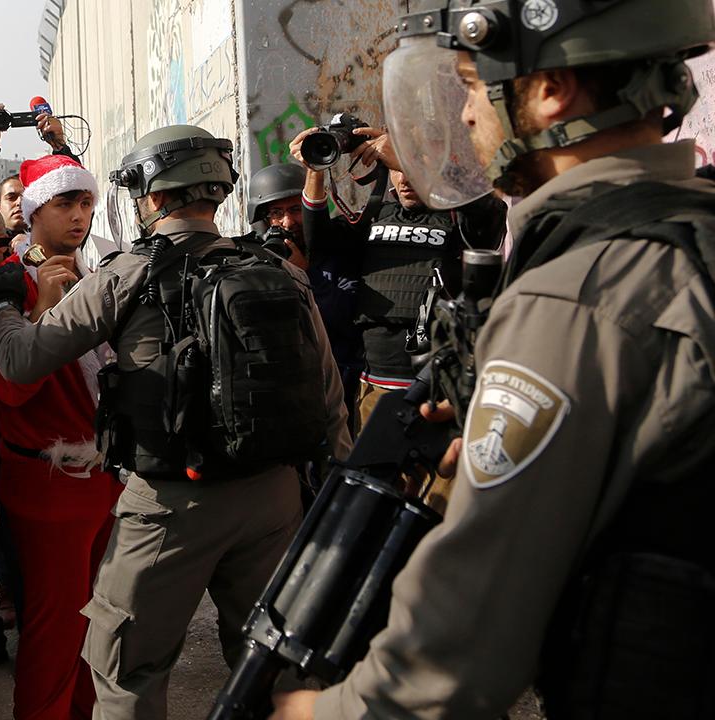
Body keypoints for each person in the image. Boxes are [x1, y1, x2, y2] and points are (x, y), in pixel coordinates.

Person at [275, 0, 715, 717]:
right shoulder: (688, 232)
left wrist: (314, 713)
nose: (470, 117)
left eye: (476, 87)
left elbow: (456, 655)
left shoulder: (574, 297)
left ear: (551, 90)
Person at [0, 124, 352, 719]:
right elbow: (329, 393)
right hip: (274, 498)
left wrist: (5, 304)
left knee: (127, 669)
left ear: (151, 196)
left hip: (170, 505)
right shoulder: (277, 268)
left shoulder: (124, 273)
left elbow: (20, 360)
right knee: (271, 662)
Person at [0, 153, 123, 719]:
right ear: (36, 209)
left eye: (86, 202)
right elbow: (10, 389)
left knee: (95, 626)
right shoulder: (9, 280)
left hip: (100, 476)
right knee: (55, 627)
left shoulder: (93, 272)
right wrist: (39, 304)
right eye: (65, 203)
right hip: (45, 481)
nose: (79, 215)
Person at [289, 127, 506, 431]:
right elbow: (319, 244)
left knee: (444, 478)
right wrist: (315, 170)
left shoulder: (460, 218)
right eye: (395, 167)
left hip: (442, 389)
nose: (404, 179)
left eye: (413, 165)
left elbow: (490, 211)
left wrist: (404, 157)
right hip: (375, 385)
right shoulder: (376, 217)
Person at [246, 163, 363, 420]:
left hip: (349, 387)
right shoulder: (256, 261)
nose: (287, 222)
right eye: (276, 212)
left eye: (296, 210)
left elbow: (341, 320)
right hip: (293, 393)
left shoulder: (342, 249)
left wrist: (305, 277)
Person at [0, 101, 76, 213]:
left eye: (28, 198)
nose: (20, 202)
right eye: (11, 197)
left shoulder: (54, 232)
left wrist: (59, 144)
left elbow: (76, 197)